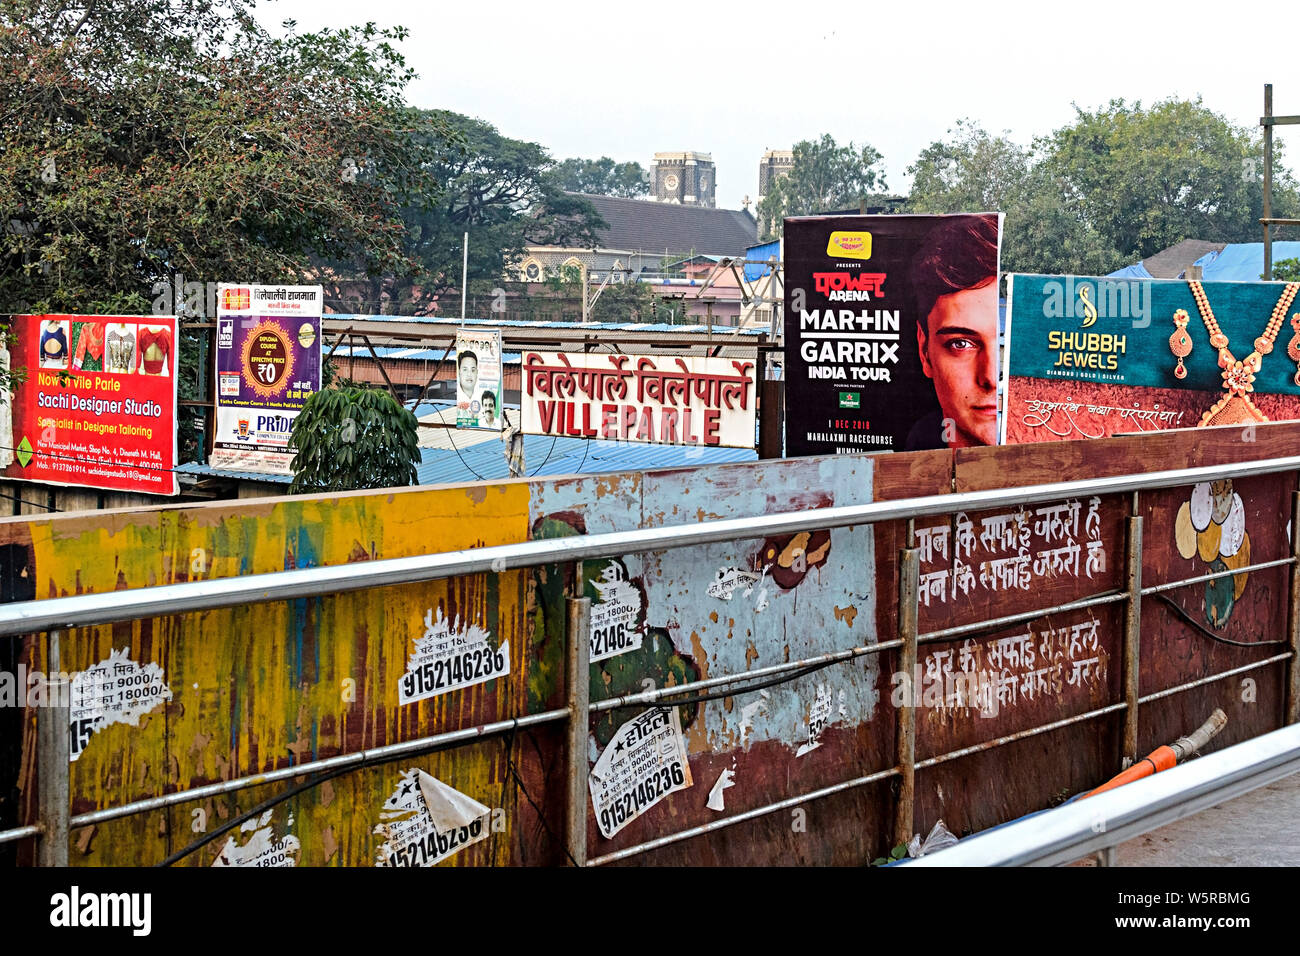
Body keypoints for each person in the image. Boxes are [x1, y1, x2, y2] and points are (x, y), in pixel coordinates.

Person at [904, 215, 1000, 450]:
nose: (990, 378)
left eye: (1003, 345)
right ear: (924, 351)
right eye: (961, 344)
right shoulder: (910, 454)